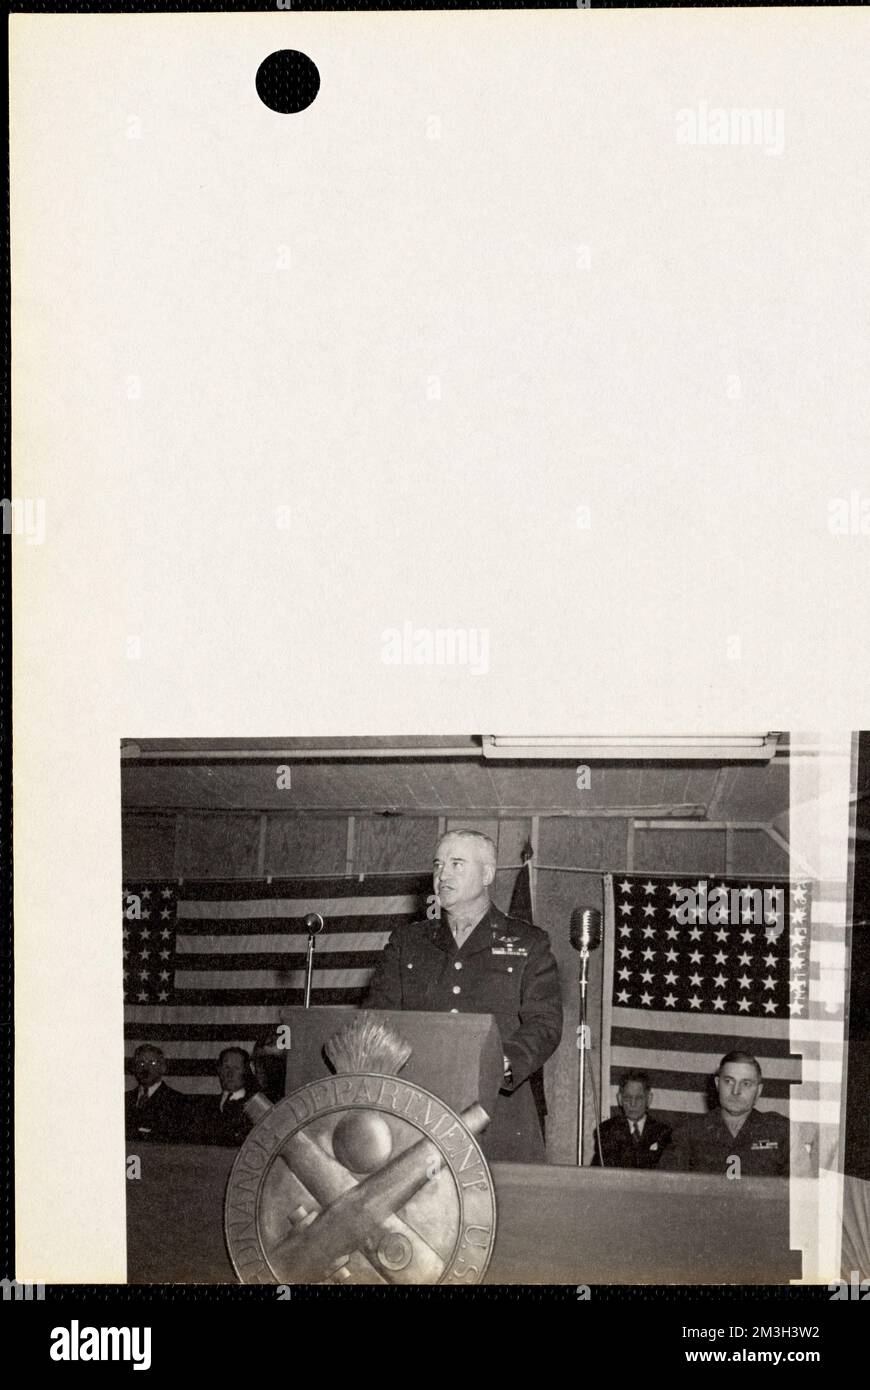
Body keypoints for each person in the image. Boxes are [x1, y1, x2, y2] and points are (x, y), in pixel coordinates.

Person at [363, 828, 563, 1163]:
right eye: (438, 865)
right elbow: (376, 1019)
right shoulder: (408, 943)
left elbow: (545, 1023)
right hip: (418, 1109)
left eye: (457, 864)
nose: (443, 875)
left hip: (498, 1113)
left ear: (487, 874)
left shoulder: (527, 942)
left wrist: (498, 1065)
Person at [662, 1051, 789, 1177]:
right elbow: (665, 1190)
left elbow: (800, 1190)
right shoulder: (689, 1133)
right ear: (717, 1084)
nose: (736, 1091)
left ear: (758, 1090)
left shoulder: (780, 1131)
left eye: (746, 1084)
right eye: (729, 1081)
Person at [590, 1070, 672, 1169]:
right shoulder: (606, 1131)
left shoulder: (663, 1132)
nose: (633, 1104)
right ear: (620, 1099)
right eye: (627, 1098)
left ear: (649, 1099)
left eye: (639, 1098)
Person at [193, 1047, 258, 1146]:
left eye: (236, 1068)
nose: (230, 1074)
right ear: (219, 1070)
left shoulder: (255, 1106)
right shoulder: (205, 1106)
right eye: (226, 1067)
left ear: (245, 1071)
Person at [125, 1044, 189, 1143]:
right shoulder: (124, 1100)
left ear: (163, 1068)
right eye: (141, 1063)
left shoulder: (178, 1101)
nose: (146, 1068)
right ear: (134, 1068)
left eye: (152, 1063)